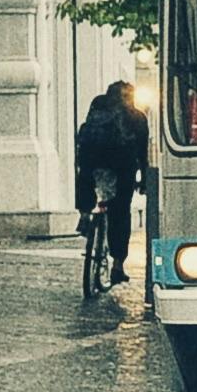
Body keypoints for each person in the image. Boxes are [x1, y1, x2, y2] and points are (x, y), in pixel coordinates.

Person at [73, 76, 151, 284]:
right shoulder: (138, 117)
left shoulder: (98, 104)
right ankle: (117, 264)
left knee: (86, 177)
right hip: (122, 166)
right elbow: (142, 154)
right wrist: (144, 181)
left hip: (91, 159)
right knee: (120, 213)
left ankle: (84, 214)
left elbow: (87, 134)